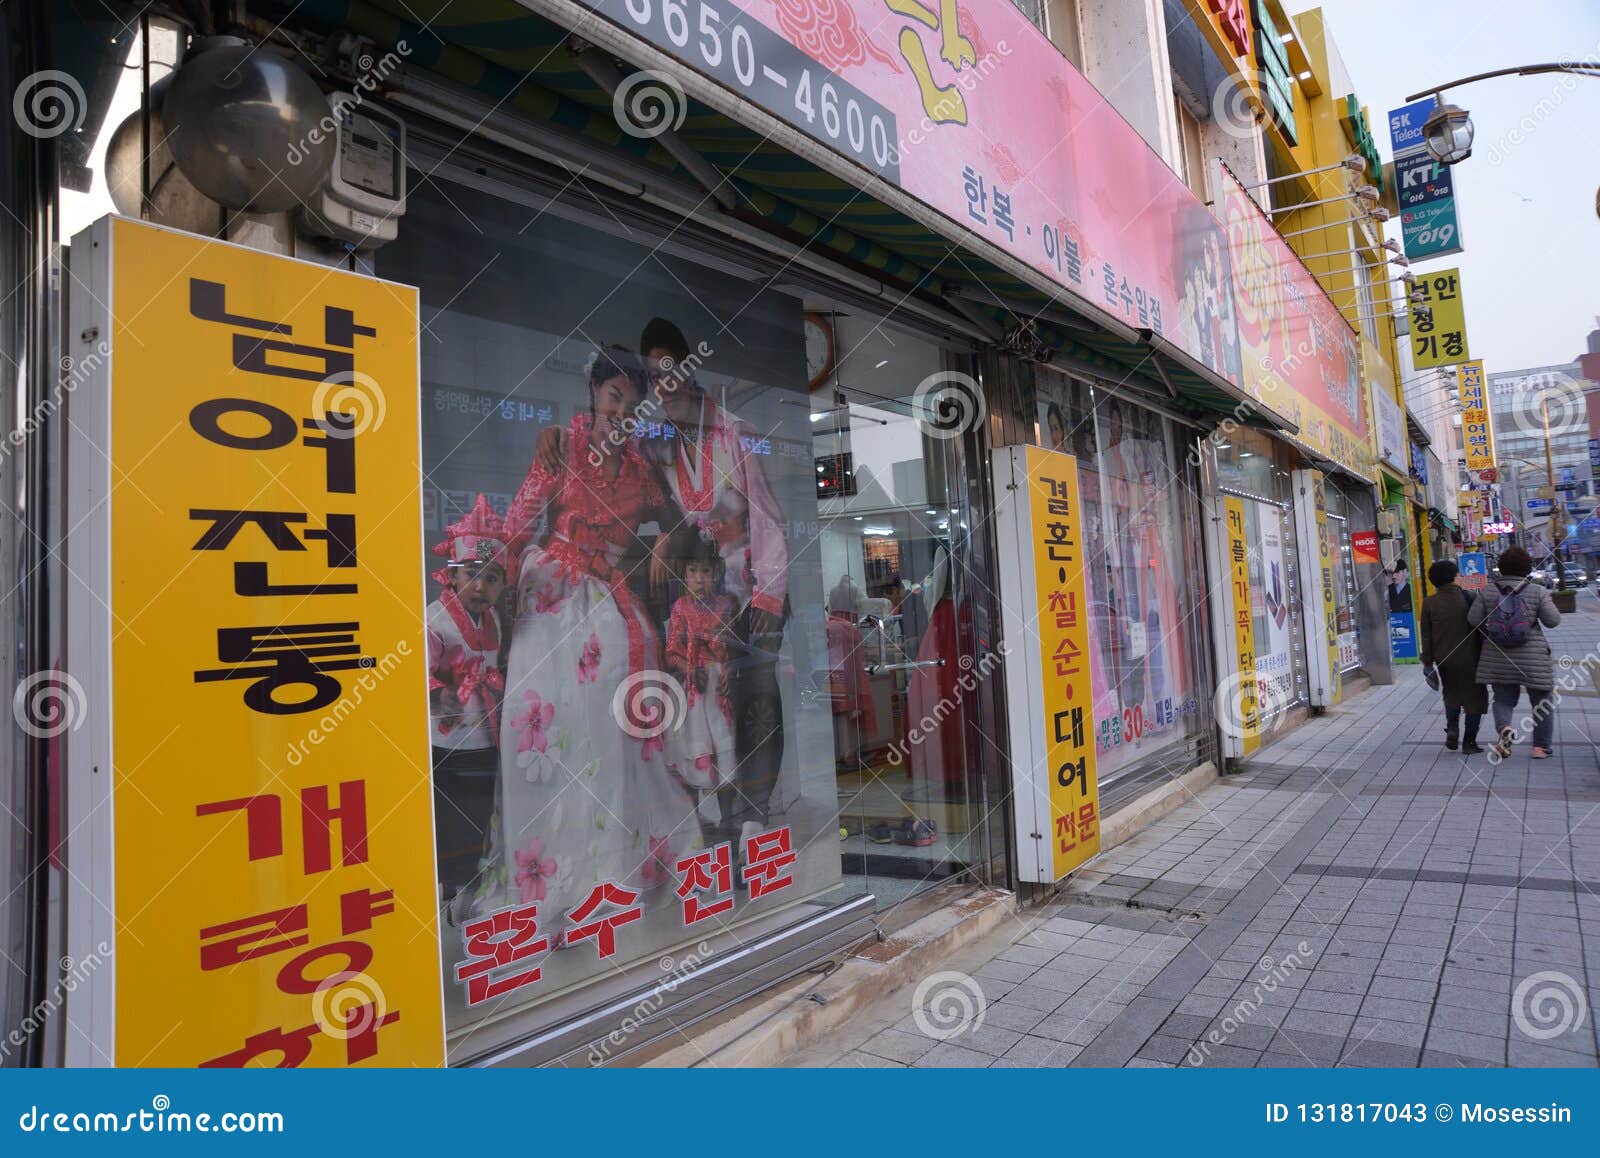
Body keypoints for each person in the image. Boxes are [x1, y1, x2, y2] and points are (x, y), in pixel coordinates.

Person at [492, 346, 700, 944]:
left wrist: (662, 544)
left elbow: (681, 525)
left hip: (608, 606)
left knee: (608, 740)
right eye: (614, 397)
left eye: (634, 405)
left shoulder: (643, 470)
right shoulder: (560, 447)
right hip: (550, 603)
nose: (622, 413)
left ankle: (605, 876)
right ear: (592, 391)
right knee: (542, 743)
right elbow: (516, 525)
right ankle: (546, 885)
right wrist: (499, 602)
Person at [426, 494, 509, 924]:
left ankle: (466, 892)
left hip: (485, 739)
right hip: (448, 743)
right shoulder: (434, 621)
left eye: (492, 578)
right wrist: (439, 689)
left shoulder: (493, 622)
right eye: (471, 575)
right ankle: (443, 894)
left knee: (479, 819)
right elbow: (417, 674)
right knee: (447, 821)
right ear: (452, 576)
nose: (481, 586)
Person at [662, 529, 738, 810]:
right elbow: (671, 652)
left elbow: (734, 645)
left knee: (722, 742)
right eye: (693, 571)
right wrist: (689, 668)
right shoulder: (681, 607)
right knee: (694, 746)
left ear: (716, 573)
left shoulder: (726, 606)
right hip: (695, 686)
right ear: (684, 574)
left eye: (705, 571)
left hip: (719, 686)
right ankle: (695, 815)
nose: (699, 578)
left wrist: (729, 670)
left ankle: (727, 813)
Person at [1466, 545, 1562, 759]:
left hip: (1498, 655)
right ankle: (1540, 747)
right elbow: (1553, 621)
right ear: (1527, 568)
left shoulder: (1488, 591)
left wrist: (1492, 628)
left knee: (1503, 699)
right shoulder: (1537, 591)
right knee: (1542, 700)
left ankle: (1505, 730)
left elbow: (1473, 619)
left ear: (1501, 567)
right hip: (1533, 658)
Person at [1418, 559, 1486, 754]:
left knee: (1451, 694)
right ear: (1454, 578)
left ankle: (1453, 728)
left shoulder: (1429, 603)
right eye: (1458, 574)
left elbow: (1426, 635)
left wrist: (1428, 662)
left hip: (1444, 659)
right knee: (1475, 699)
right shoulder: (1470, 597)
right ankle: (1469, 742)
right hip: (1472, 659)